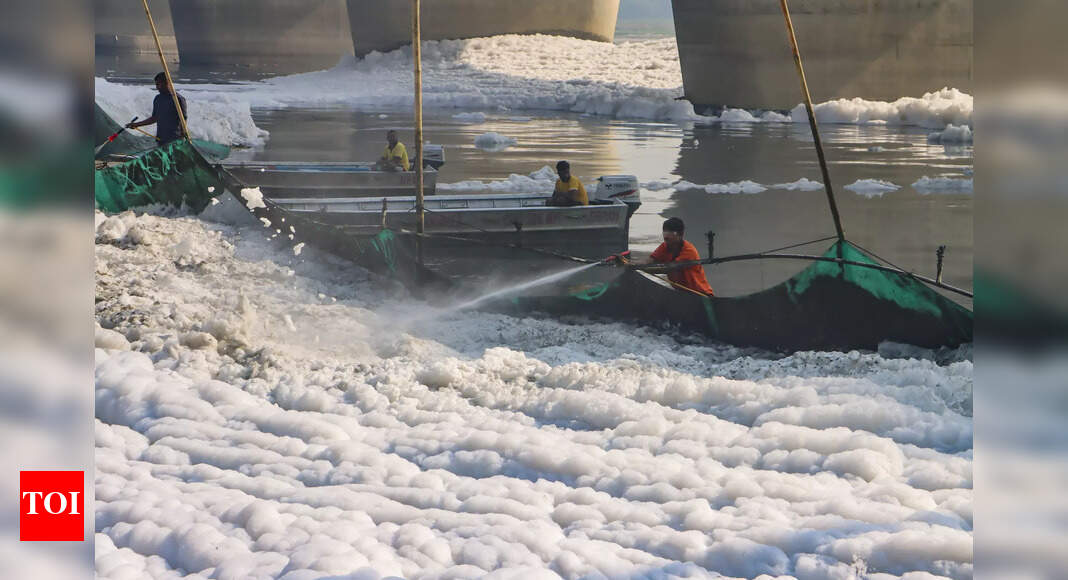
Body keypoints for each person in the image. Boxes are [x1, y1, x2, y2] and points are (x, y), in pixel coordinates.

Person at [640, 217, 715, 296]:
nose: (666, 239)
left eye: (670, 233)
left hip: (701, 294)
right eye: (665, 233)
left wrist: (643, 268)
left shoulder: (689, 251)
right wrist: (633, 264)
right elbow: (650, 261)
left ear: (680, 235)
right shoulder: (664, 246)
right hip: (682, 294)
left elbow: (668, 269)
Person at [126, 72, 187, 145]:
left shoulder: (178, 99)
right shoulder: (158, 99)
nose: (157, 87)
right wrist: (136, 124)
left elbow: (184, 119)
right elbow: (154, 118)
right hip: (161, 139)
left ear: (167, 83)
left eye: (158, 84)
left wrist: (183, 137)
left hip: (175, 141)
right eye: (156, 84)